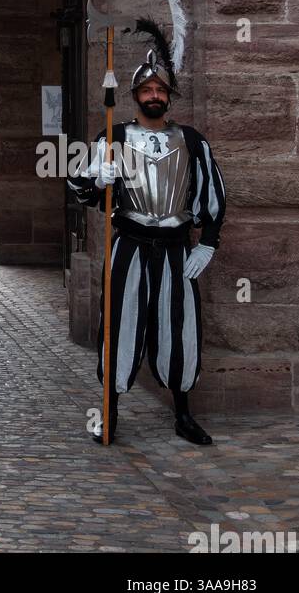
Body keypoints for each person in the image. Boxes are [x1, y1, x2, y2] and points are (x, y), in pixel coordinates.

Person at [68, 31, 226, 448]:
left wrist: (207, 242)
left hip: (177, 248)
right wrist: (94, 178)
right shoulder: (114, 137)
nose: (153, 94)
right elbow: (82, 188)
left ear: (169, 96)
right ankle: (110, 410)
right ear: (135, 95)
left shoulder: (191, 140)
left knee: (179, 326)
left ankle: (183, 413)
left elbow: (211, 193)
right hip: (131, 244)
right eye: (146, 89)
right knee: (119, 324)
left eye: (160, 89)